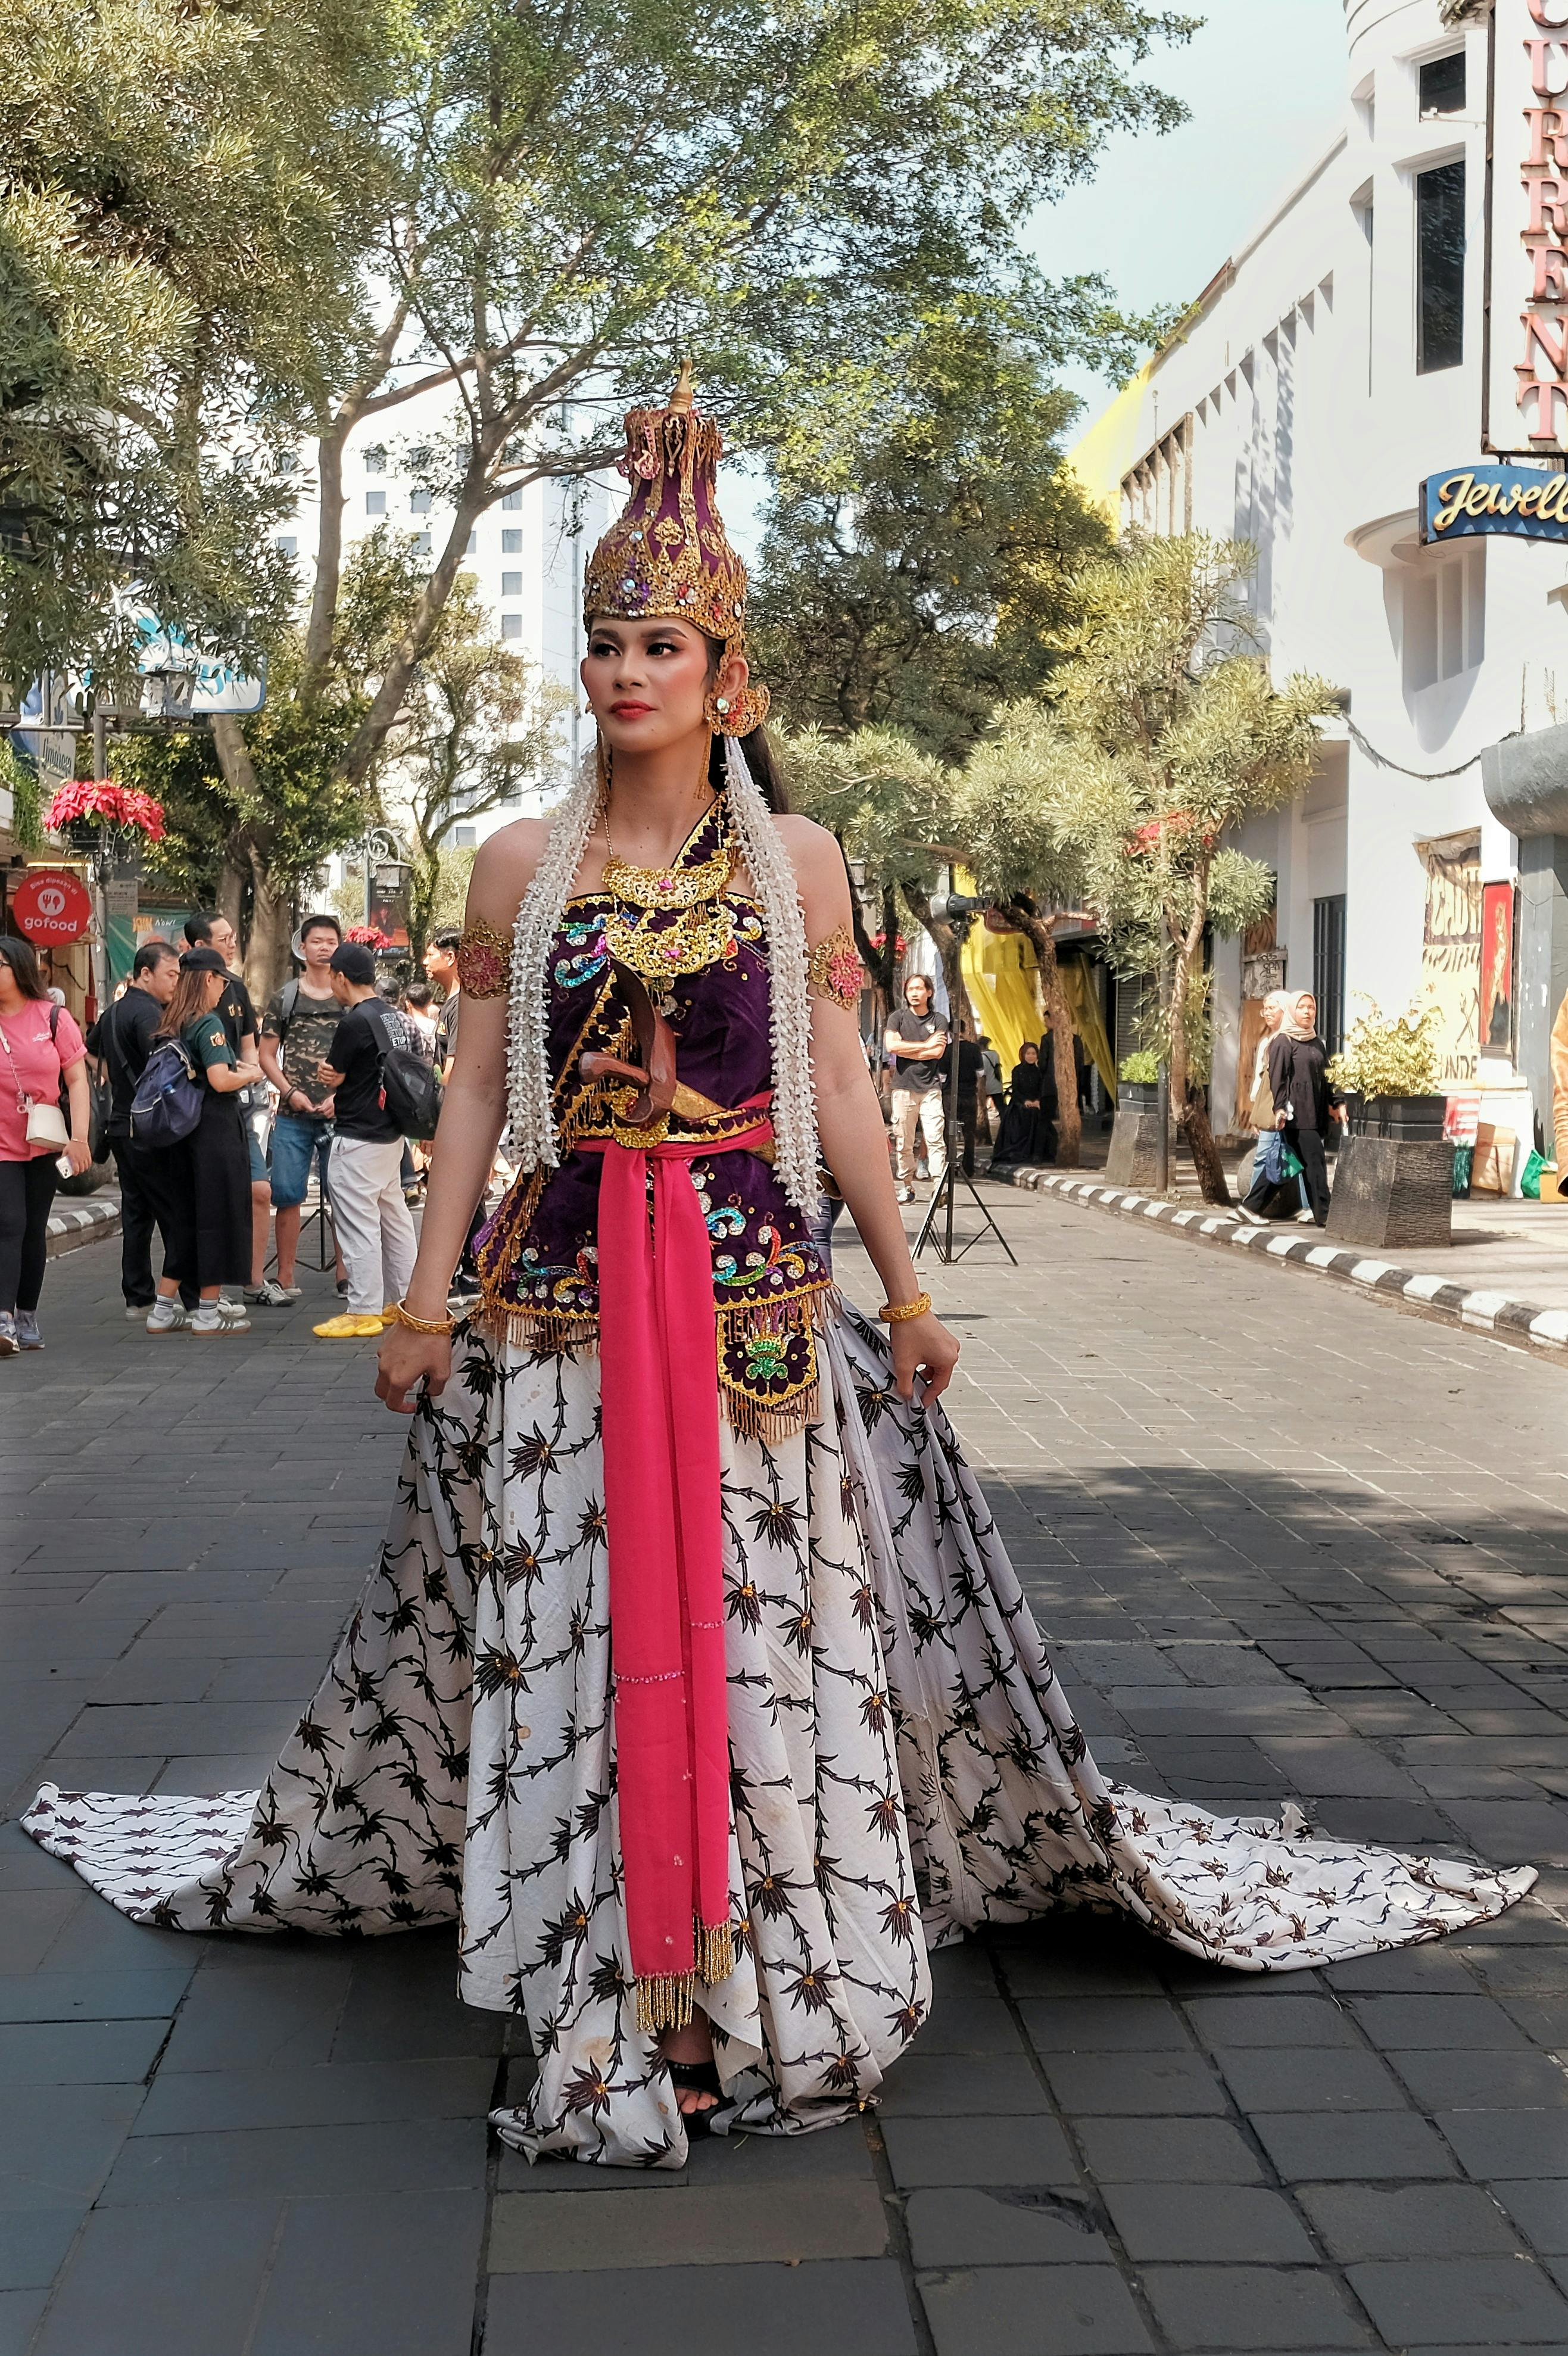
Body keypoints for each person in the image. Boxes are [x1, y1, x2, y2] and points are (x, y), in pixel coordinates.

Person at [26, 371, 1535, 2167]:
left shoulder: (795, 861)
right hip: (561, 1309)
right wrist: (423, 1303)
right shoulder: (519, 862)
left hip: (756, 1308)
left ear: (724, 671)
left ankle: (754, 1968)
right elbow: (484, 1091)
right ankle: (606, 1982)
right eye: (604, 642)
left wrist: (909, 1292)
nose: (625, 670)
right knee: (571, 1633)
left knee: (757, 1637)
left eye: (659, 643)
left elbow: (833, 1088)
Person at [140, 948, 260, 1336]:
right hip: (214, 1131)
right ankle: (208, 1313)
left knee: (186, 1221)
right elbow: (221, 1080)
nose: (224, 989)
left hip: (180, 1132)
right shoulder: (208, 1022)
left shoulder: (172, 1020)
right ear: (209, 978)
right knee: (218, 1217)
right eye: (222, 981)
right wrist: (251, 1075)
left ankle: (162, 1310)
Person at [310, 942, 418, 1341]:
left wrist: (328, 1074)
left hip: (357, 1136)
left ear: (341, 977)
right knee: (395, 1221)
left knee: (358, 1226)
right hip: (391, 1134)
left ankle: (363, 1309)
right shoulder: (394, 1016)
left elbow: (335, 1074)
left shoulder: (354, 1022)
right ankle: (406, 1300)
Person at [86, 939, 187, 1319]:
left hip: (121, 1126)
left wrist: (116, 1079)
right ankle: (192, 1296)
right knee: (174, 1211)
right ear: (146, 973)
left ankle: (138, 1297)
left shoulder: (114, 1011)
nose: (176, 982)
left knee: (136, 1214)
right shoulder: (150, 1014)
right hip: (150, 1129)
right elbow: (164, 1069)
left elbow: (88, 1049)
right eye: (171, 974)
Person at [0, 934, 91, 1353]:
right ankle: (3, 1319)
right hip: (2, 1145)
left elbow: (77, 1079)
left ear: (18, 969)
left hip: (44, 1139)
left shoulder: (53, 1017)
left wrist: (79, 1138)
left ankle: (26, 1315)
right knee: (9, 1224)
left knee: (34, 1229)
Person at [258, 914, 344, 1301]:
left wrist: (340, 1097)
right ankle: (285, 1274)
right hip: (293, 1115)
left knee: (343, 1196)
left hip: (339, 1114)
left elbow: (367, 1054)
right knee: (287, 1195)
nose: (324, 948)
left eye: (331, 942)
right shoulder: (286, 997)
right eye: (317, 941)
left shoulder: (349, 995)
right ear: (302, 947)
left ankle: (346, 1274)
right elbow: (266, 1055)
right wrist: (289, 1091)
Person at [188, 912, 272, 1302]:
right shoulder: (191, 1010)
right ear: (200, 947)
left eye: (234, 937)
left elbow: (249, 1048)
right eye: (224, 939)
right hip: (198, 1115)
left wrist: (251, 1077)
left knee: (259, 1190)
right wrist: (240, 1075)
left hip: (237, 1110)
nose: (233, 944)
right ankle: (205, 1293)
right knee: (205, 1203)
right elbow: (220, 1077)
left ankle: (254, 1281)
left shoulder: (236, 989)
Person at [1241, 989, 1345, 1227]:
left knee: (1293, 1163)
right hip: (1295, 1115)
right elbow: (1277, 1079)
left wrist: (1338, 1102)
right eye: (1302, 1007)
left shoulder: (1316, 1042)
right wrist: (1279, 1109)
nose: (1307, 1012)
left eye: (1311, 1008)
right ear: (1291, 1011)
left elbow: (1328, 1076)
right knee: (1315, 1163)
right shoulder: (1283, 1041)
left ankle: (1251, 1207)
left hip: (1314, 1112)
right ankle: (1325, 1214)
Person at [884, 973, 947, 1204]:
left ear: (929, 992)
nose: (914, 993)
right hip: (903, 1088)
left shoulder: (939, 1020)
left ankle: (939, 1188)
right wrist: (924, 1045)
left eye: (919, 989)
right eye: (910, 989)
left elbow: (937, 1052)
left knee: (935, 1138)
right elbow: (892, 1046)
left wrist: (908, 1049)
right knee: (904, 1141)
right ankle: (907, 1186)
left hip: (931, 1088)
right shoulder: (898, 1018)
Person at [992, 1040, 1056, 1167]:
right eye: (1028, 1054)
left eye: (1034, 1054)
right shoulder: (1017, 1070)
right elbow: (1016, 1091)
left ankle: (1038, 1153)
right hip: (1019, 1104)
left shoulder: (1039, 1071)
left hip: (1036, 1103)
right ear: (1023, 1055)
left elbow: (1041, 1089)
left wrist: (1037, 1101)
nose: (1031, 1056)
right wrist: (1025, 1101)